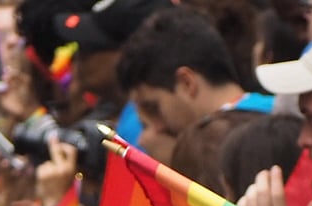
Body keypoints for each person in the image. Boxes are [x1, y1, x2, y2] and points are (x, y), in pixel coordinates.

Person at [114, 7, 269, 142]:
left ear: (187, 83)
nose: (154, 129)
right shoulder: (276, 111)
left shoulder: (248, 140)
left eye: (153, 108)